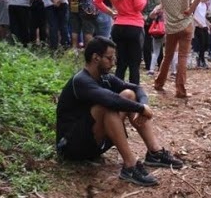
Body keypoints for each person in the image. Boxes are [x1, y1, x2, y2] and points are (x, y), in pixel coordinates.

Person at [55, 37, 183, 187]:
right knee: (107, 106)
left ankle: (155, 152)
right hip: (72, 147)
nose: (113, 62)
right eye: (109, 58)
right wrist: (140, 108)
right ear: (96, 58)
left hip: (93, 141)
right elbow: (109, 99)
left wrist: (143, 105)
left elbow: (137, 88)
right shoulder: (81, 81)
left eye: (114, 57)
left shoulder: (105, 78)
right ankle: (130, 166)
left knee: (128, 94)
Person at [93, 0, 147, 85]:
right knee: (134, 65)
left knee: (121, 64)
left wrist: (111, 12)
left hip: (118, 26)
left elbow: (96, 0)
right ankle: (134, 96)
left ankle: (117, 93)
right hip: (134, 26)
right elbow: (139, 6)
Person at [152, 0, 203, 98]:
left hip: (171, 26)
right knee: (182, 57)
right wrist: (190, 10)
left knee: (167, 56)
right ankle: (180, 90)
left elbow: (162, 5)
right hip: (185, 25)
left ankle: (159, 83)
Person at [142, 0, 162, 74]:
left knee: (147, 40)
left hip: (144, 17)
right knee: (158, 39)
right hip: (156, 16)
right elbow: (161, 1)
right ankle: (159, 62)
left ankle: (148, 63)